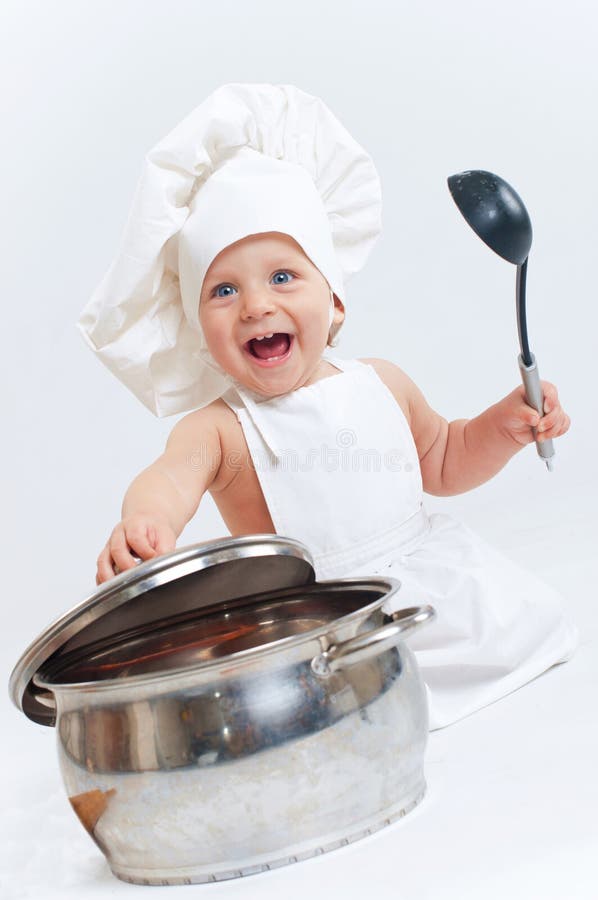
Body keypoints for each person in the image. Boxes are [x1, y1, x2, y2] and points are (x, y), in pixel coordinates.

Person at [79, 82, 577, 729]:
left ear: (335, 299)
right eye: (224, 290)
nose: (256, 304)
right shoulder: (221, 429)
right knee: (329, 707)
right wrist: (146, 524)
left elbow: (446, 459)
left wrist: (503, 429)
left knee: (530, 625)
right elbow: (168, 479)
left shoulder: (382, 381)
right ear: (200, 333)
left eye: (283, 276)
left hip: (436, 591)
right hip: (326, 623)